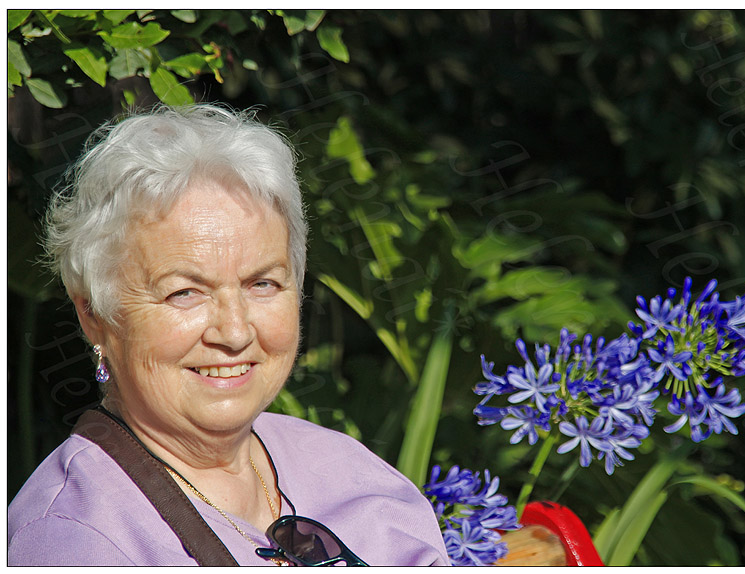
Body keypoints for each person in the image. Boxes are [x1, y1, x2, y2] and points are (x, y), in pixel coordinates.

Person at [8, 104, 451, 566]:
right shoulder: (76, 536)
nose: (235, 332)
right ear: (94, 315)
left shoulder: (346, 469)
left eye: (263, 284)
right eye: (185, 292)